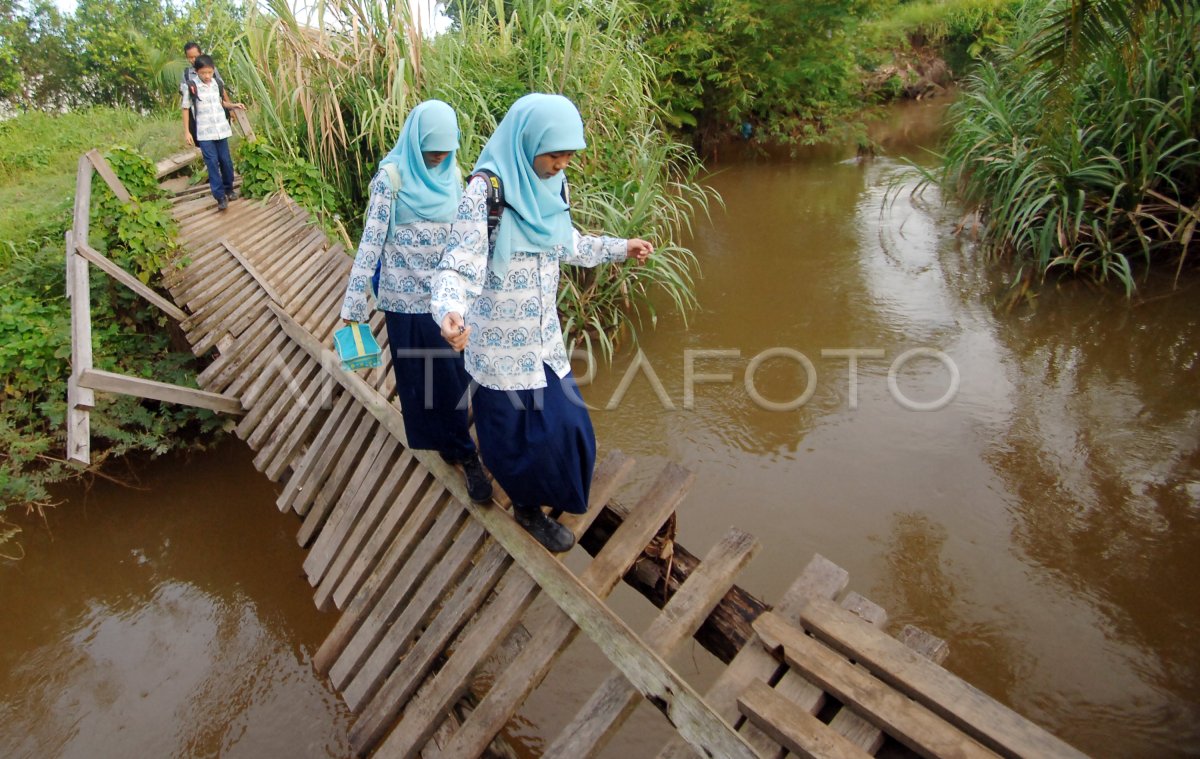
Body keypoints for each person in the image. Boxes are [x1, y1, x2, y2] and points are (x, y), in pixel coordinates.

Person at [431, 93, 653, 553]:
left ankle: (543, 495)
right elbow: (456, 265)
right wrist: (449, 312)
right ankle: (527, 509)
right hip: (496, 346)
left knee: (569, 425)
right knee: (509, 438)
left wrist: (619, 247)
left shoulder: (556, 185)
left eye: (569, 155)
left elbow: (565, 242)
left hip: (544, 340)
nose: (561, 164)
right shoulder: (485, 192)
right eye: (555, 154)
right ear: (527, 141)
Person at [339, 100, 493, 504]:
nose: (438, 158)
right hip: (403, 303)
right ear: (414, 143)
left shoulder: (454, 174)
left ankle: (463, 449)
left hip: (445, 304)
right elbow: (370, 244)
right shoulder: (390, 179)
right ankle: (451, 445)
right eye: (430, 151)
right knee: (420, 381)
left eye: (445, 150)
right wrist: (353, 308)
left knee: (452, 376)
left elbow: (465, 237)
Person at [182, 54, 245, 211]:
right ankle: (220, 197)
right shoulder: (190, 87)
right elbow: (185, 109)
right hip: (204, 133)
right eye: (203, 73)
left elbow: (220, 102)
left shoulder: (217, 83)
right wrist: (187, 132)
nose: (207, 76)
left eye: (210, 72)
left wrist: (234, 105)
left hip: (221, 130)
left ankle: (229, 189)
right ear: (196, 72)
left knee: (226, 161)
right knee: (212, 164)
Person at [180, 42, 228, 146]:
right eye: (190, 57)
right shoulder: (186, 74)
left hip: (216, 115)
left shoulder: (211, 70)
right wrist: (187, 130)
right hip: (199, 118)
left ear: (201, 53)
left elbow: (221, 89)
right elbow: (185, 100)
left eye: (195, 56)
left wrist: (230, 108)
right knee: (206, 147)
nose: (193, 59)